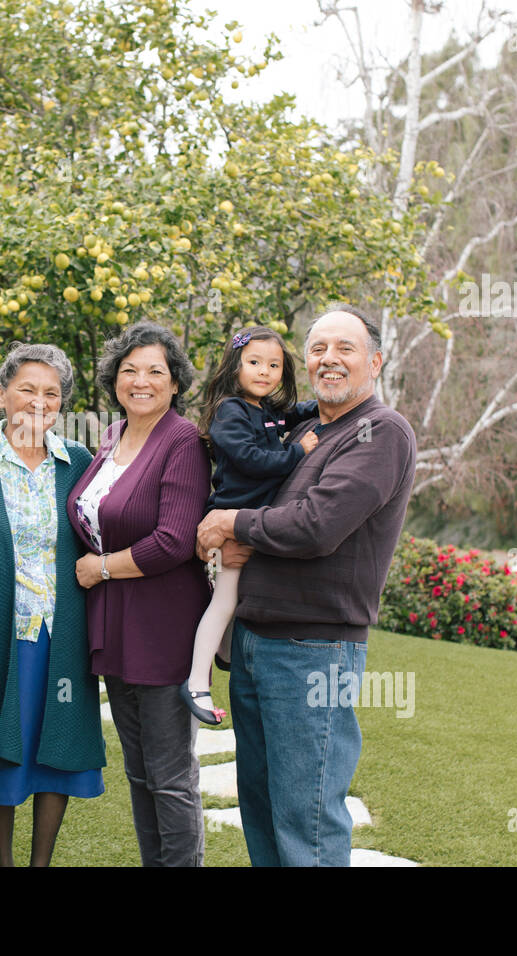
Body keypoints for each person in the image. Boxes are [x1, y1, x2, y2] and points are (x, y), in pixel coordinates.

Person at [196, 304, 417, 867]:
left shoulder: (379, 431)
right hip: (256, 639)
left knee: (307, 818)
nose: (329, 359)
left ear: (375, 361)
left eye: (345, 348)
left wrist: (233, 523)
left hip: (314, 651)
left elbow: (318, 526)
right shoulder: (305, 428)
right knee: (263, 810)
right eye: (318, 349)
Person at [66, 321, 211, 867]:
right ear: (114, 380)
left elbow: (173, 540)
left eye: (156, 371)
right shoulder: (112, 438)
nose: (141, 380)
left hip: (162, 629)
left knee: (170, 776)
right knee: (139, 772)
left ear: (175, 384)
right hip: (116, 630)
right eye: (130, 370)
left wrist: (100, 569)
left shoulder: (183, 441)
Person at [0, 343, 106, 867]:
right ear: (1, 394)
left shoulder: (80, 462)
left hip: (61, 629)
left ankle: (40, 862)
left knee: (58, 739)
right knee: (3, 739)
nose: (38, 402)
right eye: (27, 389)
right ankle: (3, 860)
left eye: (51, 393)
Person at [180, 326, 320, 725]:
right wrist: (298, 452)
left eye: (274, 365)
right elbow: (250, 459)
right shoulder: (230, 411)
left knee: (237, 599)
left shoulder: (268, 410)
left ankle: (224, 654)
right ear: (235, 365)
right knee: (223, 602)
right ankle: (195, 684)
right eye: (255, 362)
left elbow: (296, 412)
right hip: (232, 517)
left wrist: (321, 407)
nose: (265, 371)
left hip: (252, 522)